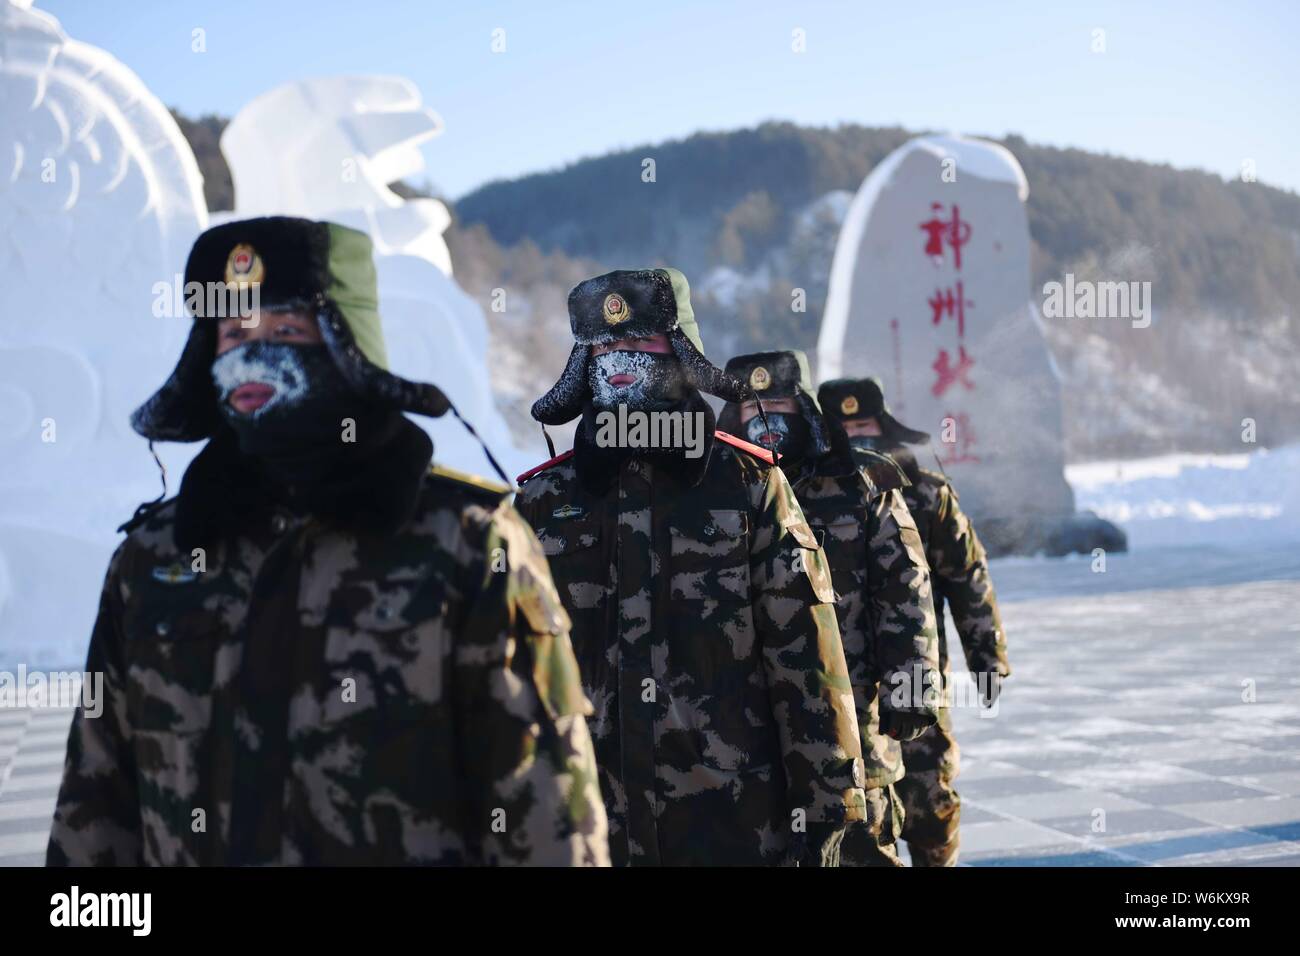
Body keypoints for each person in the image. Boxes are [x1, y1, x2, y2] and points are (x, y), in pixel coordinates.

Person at [47, 216, 608, 866]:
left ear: (348, 347)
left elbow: (548, 820)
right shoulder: (153, 560)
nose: (253, 355)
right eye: (233, 333)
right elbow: (96, 804)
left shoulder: (466, 544)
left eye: (285, 330)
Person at [515, 268, 866, 866]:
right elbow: (512, 665)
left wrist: (830, 801)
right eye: (604, 347)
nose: (620, 359)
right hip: (587, 822)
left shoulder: (748, 485)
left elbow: (804, 649)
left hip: (732, 818)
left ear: (681, 353)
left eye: (640, 342)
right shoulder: (542, 500)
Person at [719, 350, 940, 866]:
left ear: (804, 406)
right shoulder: (717, 486)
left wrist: (912, 688)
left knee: (864, 851)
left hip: (855, 722)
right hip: (748, 735)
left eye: (778, 403)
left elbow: (905, 588)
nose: (765, 418)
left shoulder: (861, 481)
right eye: (752, 408)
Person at [818, 376, 1009, 867]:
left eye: (864, 425)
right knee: (861, 811)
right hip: (842, 691)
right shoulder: (806, 491)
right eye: (844, 428)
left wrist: (987, 654)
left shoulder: (924, 491)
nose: (857, 437)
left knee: (928, 799)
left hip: (914, 680)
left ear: (885, 425)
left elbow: (967, 575)